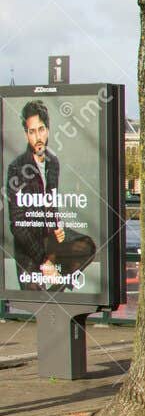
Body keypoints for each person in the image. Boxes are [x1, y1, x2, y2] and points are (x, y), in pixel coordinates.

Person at [5, 100, 96, 289]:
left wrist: (57, 225)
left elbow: (50, 202)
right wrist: (44, 261)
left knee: (87, 247)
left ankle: (57, 288)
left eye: (41, 129)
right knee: (34, 293)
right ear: (26, 134)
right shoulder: (17, 167)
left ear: (48, 129)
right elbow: (18, 225)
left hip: (50, 238)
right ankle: (54, 282)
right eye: (32, 131)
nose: (38, 136)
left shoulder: (53, 162)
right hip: (30, 244)